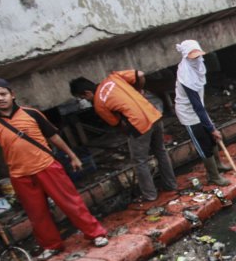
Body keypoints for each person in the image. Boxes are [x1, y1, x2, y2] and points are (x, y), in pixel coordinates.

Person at [0, 78, 108, 261]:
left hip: (47, 166)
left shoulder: (32, 113)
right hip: (20, 175)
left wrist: (72, 156)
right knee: (37, 214)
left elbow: (53, 136)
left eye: (3, 94)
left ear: (12, 94)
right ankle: (51, 245)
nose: (0, 98)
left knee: (71, 203)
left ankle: (96, 234)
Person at [69, 70, 177, 202]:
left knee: (139, 161)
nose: (85, 100)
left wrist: (130, 135)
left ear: (87, 93)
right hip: (154, 113)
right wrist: (138, 90)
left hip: (138, 125)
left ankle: (150, 195)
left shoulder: (99, 103)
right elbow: (141, 74)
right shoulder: (113, 78)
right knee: (160, 151)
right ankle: (171, 185)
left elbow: (116, 123)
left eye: (83, 98)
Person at [174, 39, 233, 187]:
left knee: (212, 139)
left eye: (198, 55)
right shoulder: (185, 75)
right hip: (189, 113)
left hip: (200, 109)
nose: (197, 59)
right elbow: (196, 105)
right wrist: (212, 128)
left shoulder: (198, 66)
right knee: (203, 143)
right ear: (186, 56)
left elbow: (200, 105)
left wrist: (210, 128)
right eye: (193, 57)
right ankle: (213, 176)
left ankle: (218, 164)